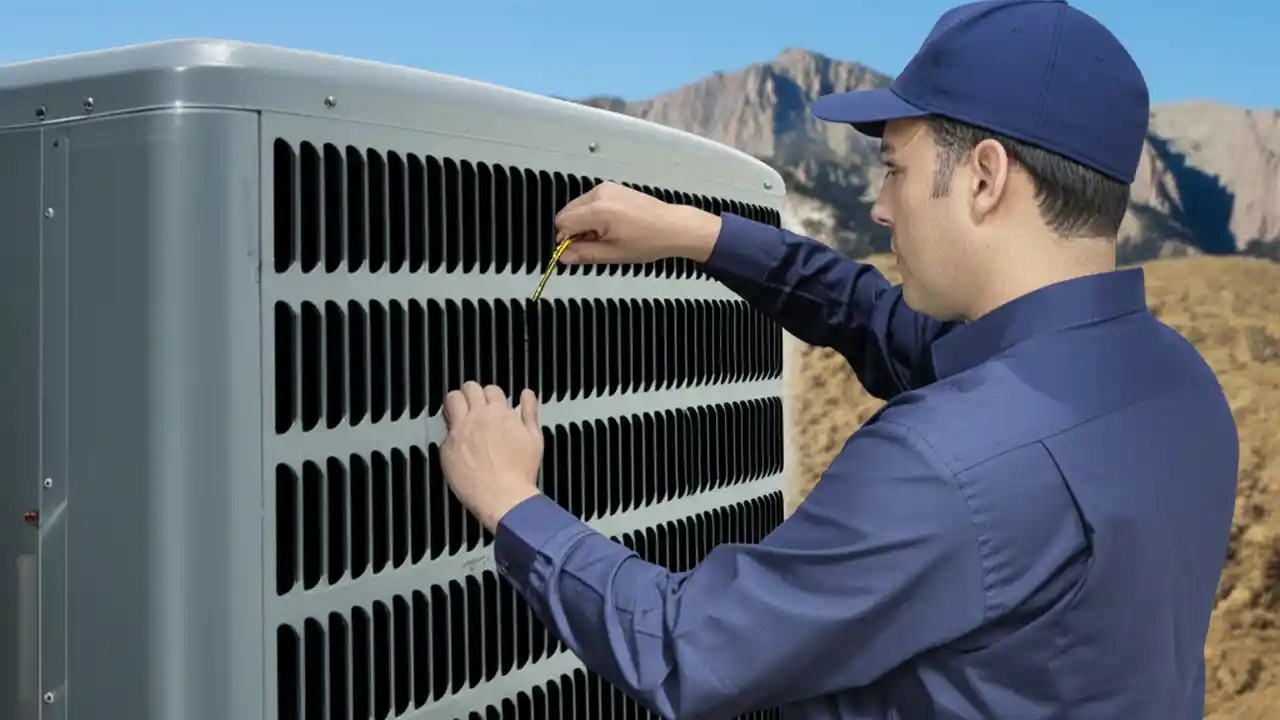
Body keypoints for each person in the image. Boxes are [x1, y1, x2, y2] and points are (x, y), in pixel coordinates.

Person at [437, 0, 1240, 717]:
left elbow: (688, 650)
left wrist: (511, 499)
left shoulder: (947, 462)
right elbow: (880, 323)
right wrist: (699, 234)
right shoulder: (1176, 382)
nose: (881, 207)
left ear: (985, 179)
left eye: (894, 169)